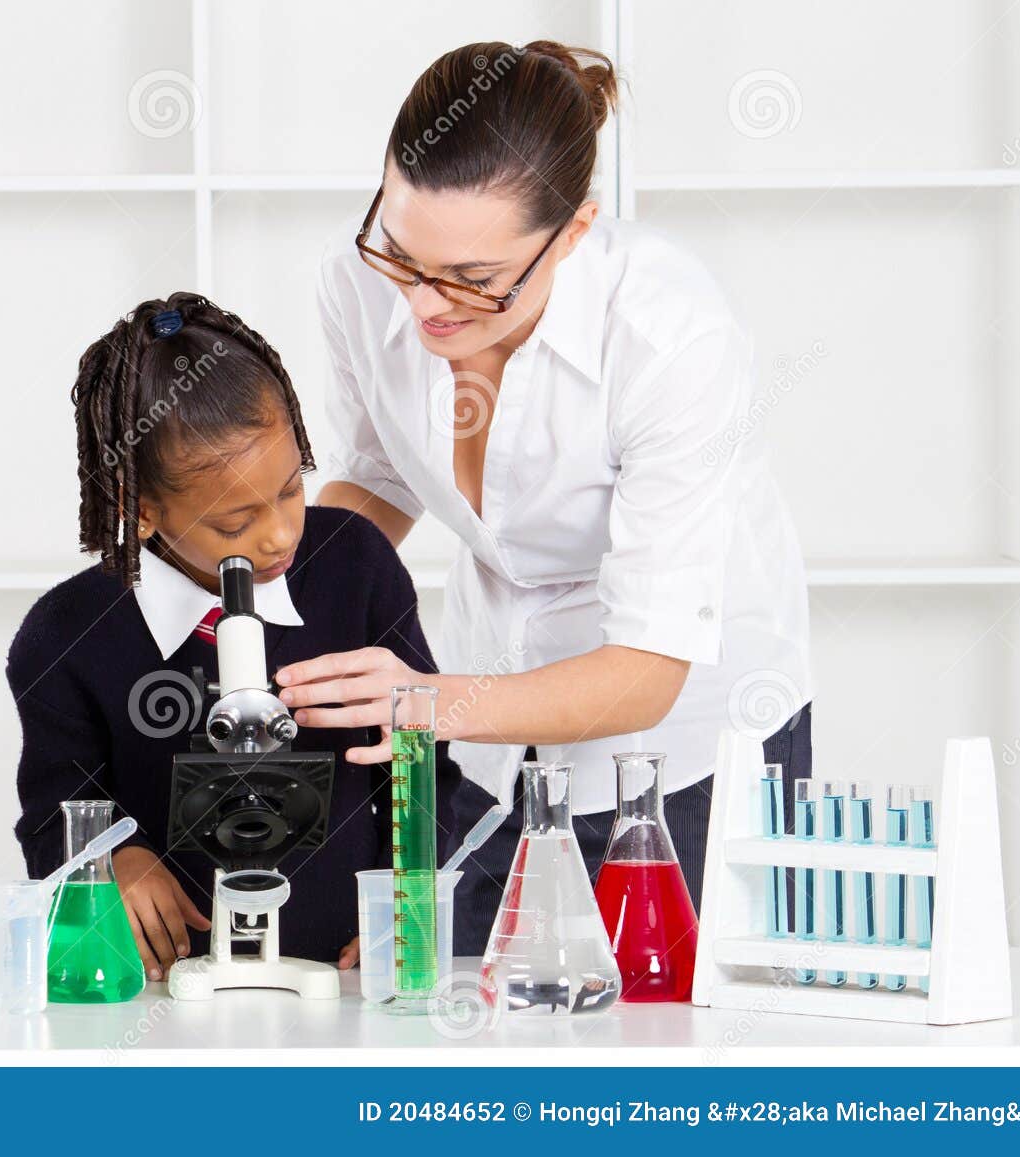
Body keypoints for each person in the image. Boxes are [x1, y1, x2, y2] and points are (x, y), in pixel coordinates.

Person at [275, 41, 813, 953]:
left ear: (573, 233)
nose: (425, 306)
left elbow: (646, 667)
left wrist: (424, 703)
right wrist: (267, 587)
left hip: (680, 745)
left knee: (666, 1034)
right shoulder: (359, 280)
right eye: (403, 255)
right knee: (460, 1005)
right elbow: (380, 474)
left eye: (474, 281)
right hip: (485, 711)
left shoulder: (668, 336)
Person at [8, 292, 460, 981]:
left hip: (347, 980)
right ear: (143, 510)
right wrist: (109, 863)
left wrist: (412, 895)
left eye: (289, 490)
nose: (280, 534)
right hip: (166, 994)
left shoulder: (355, 564)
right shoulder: (65, 636)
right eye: (234, 523)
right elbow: (52, 817)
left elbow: (427, 767)